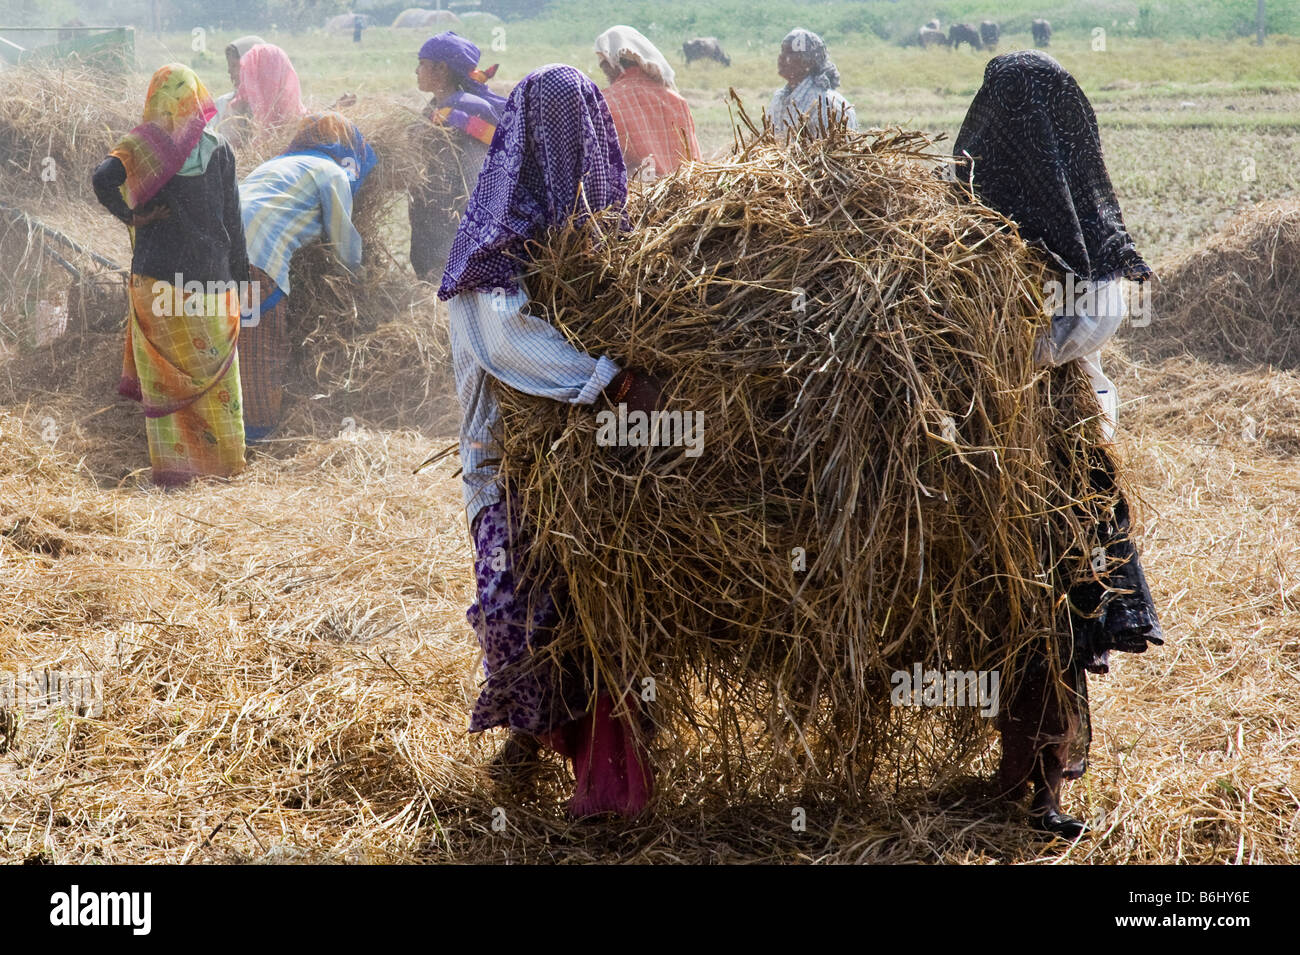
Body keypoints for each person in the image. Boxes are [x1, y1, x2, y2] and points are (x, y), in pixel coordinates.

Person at [438, 64, 661, 818]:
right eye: (565, 133)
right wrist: (614, 382)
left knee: (596, 622)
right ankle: (538, 736)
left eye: (585, 130)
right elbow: (509, 344)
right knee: (521, 619)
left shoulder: (598, 234)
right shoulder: (492, 240)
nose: (578, 150)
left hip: (592, 471)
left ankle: (602, 778)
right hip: (505, 466)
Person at [953, 50, 1164, 838]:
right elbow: (1093, 318)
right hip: (1037, 451)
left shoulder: (970, 210)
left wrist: (1004, 347)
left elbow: (1069, 328)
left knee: (1036, 616)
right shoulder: (1065, 218)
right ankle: (1029, 780)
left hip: (1003, 446)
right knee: (1041, 618)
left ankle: (1033, 778)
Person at [92, 64, 249, 486]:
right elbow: (233, 222)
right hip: (210, 281)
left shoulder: (140, 147)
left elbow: (101, 178)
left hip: (156, 281)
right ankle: (223, 468)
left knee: (166, 383)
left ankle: (176, 472)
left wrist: (132, 216)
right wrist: (241, 284)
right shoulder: (219, 148)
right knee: (216, 383)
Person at [237, 112, 375, 441]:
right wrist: (359, 282)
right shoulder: (331, 173)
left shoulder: (273, 165)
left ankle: (210, 428)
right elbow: (344, 244)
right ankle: (255, 438)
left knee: (218, 339)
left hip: (212, 252)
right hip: (257, 257)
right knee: (260, 346)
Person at [408, 32, 507, 283]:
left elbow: (476, 173)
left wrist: (472, 228)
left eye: (422, 64)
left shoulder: (468, 110)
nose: (416, 70)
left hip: (454, 219)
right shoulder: (434, 108)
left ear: (441, 68)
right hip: (431, 214)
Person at [594, 24, 701, 181]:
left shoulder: (605, 102)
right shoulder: (676, 100)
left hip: (636, 199)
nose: (605, 74)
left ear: (612, 64)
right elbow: (695, 163)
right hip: (683, 197)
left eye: (603, 66)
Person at [768, 28, 857, 138]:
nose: (782, 57)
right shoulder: (779, 99)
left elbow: (829, 152)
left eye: (790, 53)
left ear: (809, 61)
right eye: (782, 51)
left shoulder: (826, 104)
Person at [211, 35, 265, 129]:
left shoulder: (274, 106)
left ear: (254, 66)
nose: (229, 71)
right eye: (229, 65)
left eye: (234, 65)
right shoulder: (222, 104)